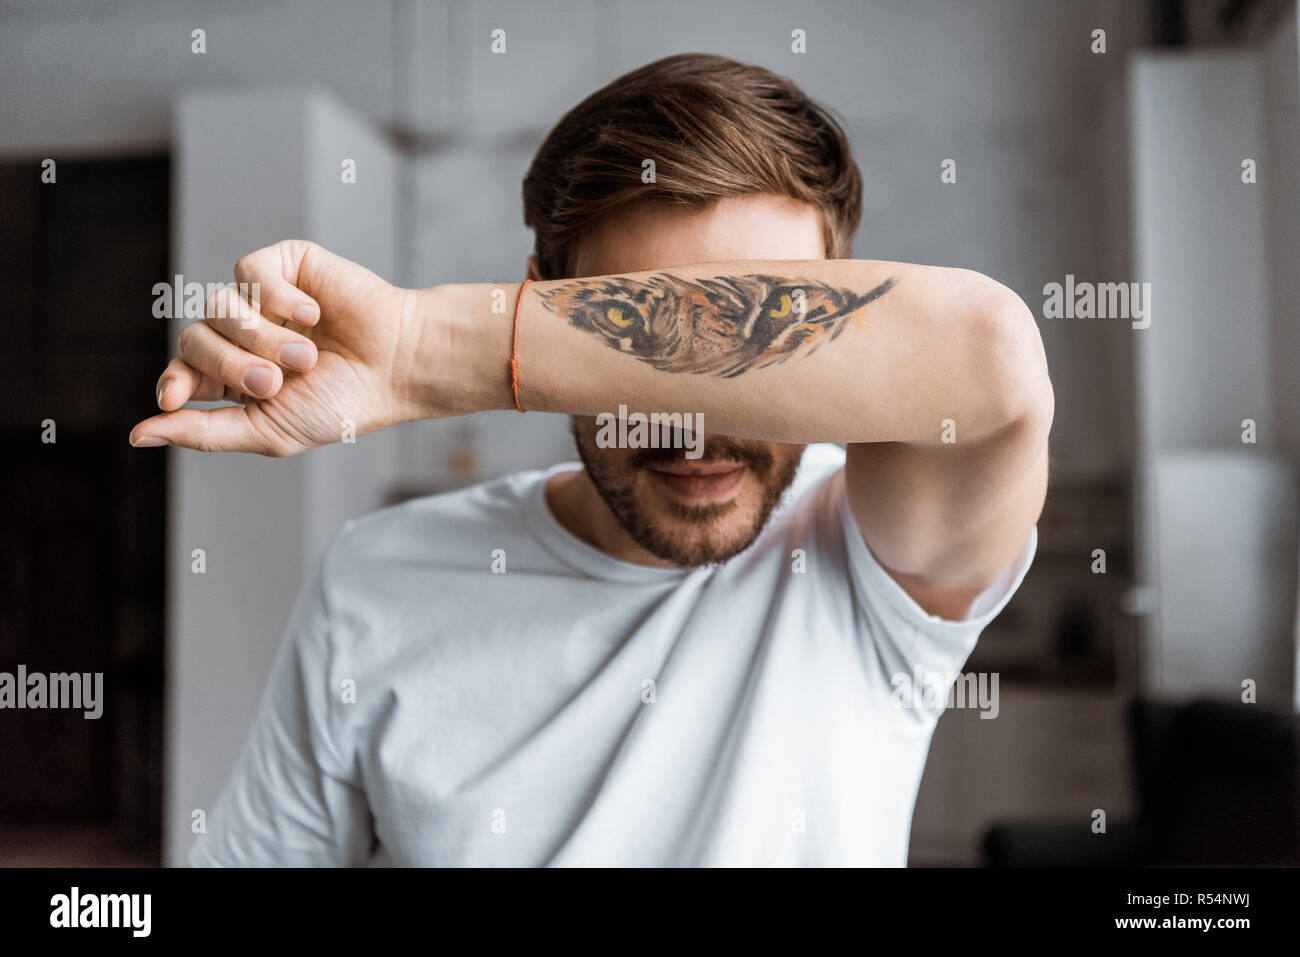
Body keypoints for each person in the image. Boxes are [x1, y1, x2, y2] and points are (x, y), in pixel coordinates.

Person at [132, 53, 1052, 866]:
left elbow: (992, 354)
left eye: (753, 346)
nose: (696, 424)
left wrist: (421, 347)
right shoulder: (373, 581)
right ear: (546, 305)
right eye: (635, 342)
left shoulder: (872, 560)